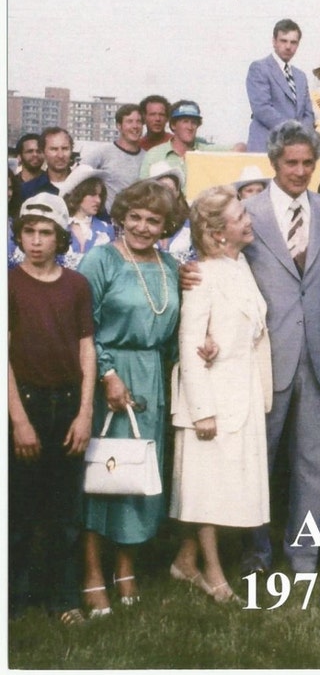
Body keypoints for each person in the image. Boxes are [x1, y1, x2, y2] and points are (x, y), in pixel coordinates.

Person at [235, 121, 320, 575]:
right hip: (265, 357)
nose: (300, 171)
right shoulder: (248, 212)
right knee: (258, 460)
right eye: (291, 163)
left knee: (312, 464)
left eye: (308, 163)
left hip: (318, 356)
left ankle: (304, 557)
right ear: (274, 162)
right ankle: (255, 553)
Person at [79, 179, 181, 616]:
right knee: (103, 471)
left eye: (152, 220)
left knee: (137, 474)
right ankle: (91, 574)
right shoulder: (101, 259)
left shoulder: (170, 264)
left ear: (165, 226)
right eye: (135, 217)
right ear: (121, 217)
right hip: (109, 375)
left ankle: (125, 568)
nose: (142, 227)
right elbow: (84, 324)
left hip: (151, 376)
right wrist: (108, 374)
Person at [169, 186, 272, 604]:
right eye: (240, 216)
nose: (249, 220)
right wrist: (202, 411)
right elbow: (189, 343)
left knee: (221, 487)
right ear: (217, 232)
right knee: (206, 491)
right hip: (211, 397)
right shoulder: (201, 275)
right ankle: (213, 574)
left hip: (242, 392)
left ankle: (185, 562)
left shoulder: (240, 264)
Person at [8, 193, 97, 626]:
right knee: (19, 509)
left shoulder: (76, 286)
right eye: (29, 231)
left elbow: (86, 349)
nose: (37, 240)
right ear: (19, 234)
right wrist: (18, 420)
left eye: (46, 233)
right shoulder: (10, 284)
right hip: (25, 402)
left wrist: (85, 412)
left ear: (60, 237)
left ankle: (63, 597)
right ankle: (14, 595)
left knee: (65, 510)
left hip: (67, 404)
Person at [246, 19, 315, 152]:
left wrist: (301, 137)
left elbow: (308, 113)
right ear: (274, 41)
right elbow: (262, 109)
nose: (288, 46)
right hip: (266, 146)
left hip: (296, 150)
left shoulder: (301, 76)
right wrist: (293, 132)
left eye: (293, 42)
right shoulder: (259, 68)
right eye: (283, 41)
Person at [140, 99, 239, 185]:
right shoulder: (154, 155)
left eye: (194, 122)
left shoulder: (206, 151)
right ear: (173, 125)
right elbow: (143, 190)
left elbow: (240, 148)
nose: (190, 127)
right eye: (185, 121)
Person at [83, 103, 145, 207]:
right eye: (129, 121)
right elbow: (79, 174)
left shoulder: (147, 157)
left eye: (138, 122)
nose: (135, 126)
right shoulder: (103, 152)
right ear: (119, 126)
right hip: (108, 215)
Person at [59, 165, 116, 269]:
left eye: (100, 195)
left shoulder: (107, 229)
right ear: (78, 194)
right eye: (93, 195)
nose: (98, 200)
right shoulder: (59, 226)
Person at [147, 161, 196, 265]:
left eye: (169, 189)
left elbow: (199, 258)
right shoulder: (142, 222)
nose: (165, 194)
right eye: (160, 189)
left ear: (177, 193)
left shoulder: (192, 224)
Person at [20, 127, 75, 201]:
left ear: (71, 151)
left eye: (65, 148)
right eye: (54, 149)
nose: (60, 155)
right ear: (43, 152)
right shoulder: (28, 190)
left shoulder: (84, 186)